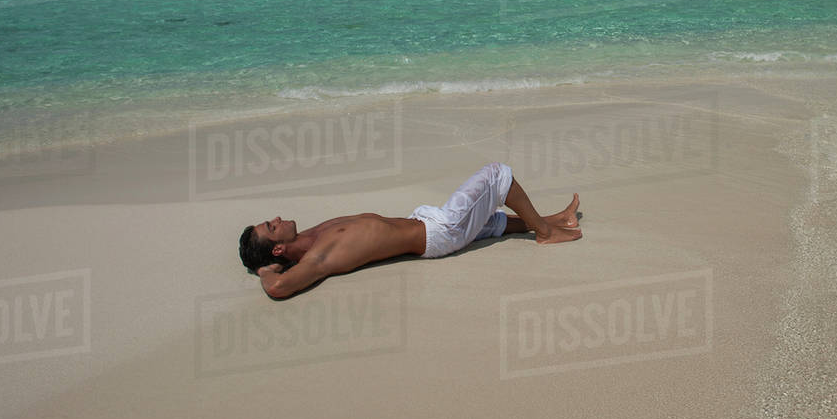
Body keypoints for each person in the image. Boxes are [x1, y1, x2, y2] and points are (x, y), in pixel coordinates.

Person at [237, 162, 581, 299]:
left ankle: (552, 221)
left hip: (426, 223)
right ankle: (545, 233)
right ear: (277, 250)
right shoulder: (318, 257)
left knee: (489, 222)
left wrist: (265, 258)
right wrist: (265, 269)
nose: (277, 219)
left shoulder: (307, 237)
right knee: (497, 175)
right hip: (438, 234)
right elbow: (279, 288)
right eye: (272, 226)